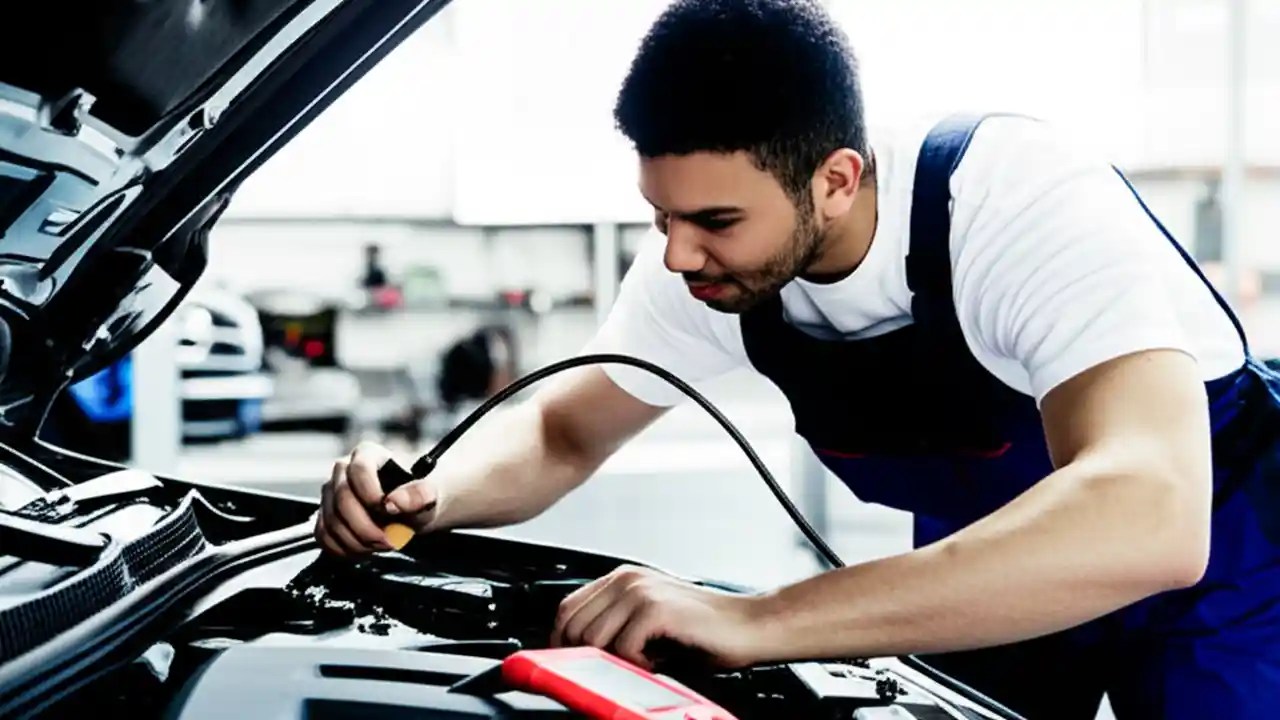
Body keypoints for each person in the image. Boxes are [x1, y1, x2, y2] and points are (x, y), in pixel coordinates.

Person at [314, 1, 1280, 717]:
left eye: (714, 220)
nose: (679, 251)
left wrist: (759, 619)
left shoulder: (1008, 200)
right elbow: (565, 427)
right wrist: (430, 496)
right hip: (989, 561)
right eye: (663, 216)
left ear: (836, 179)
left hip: (1227, 562)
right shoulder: (703, 269)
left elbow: (1149, 513)